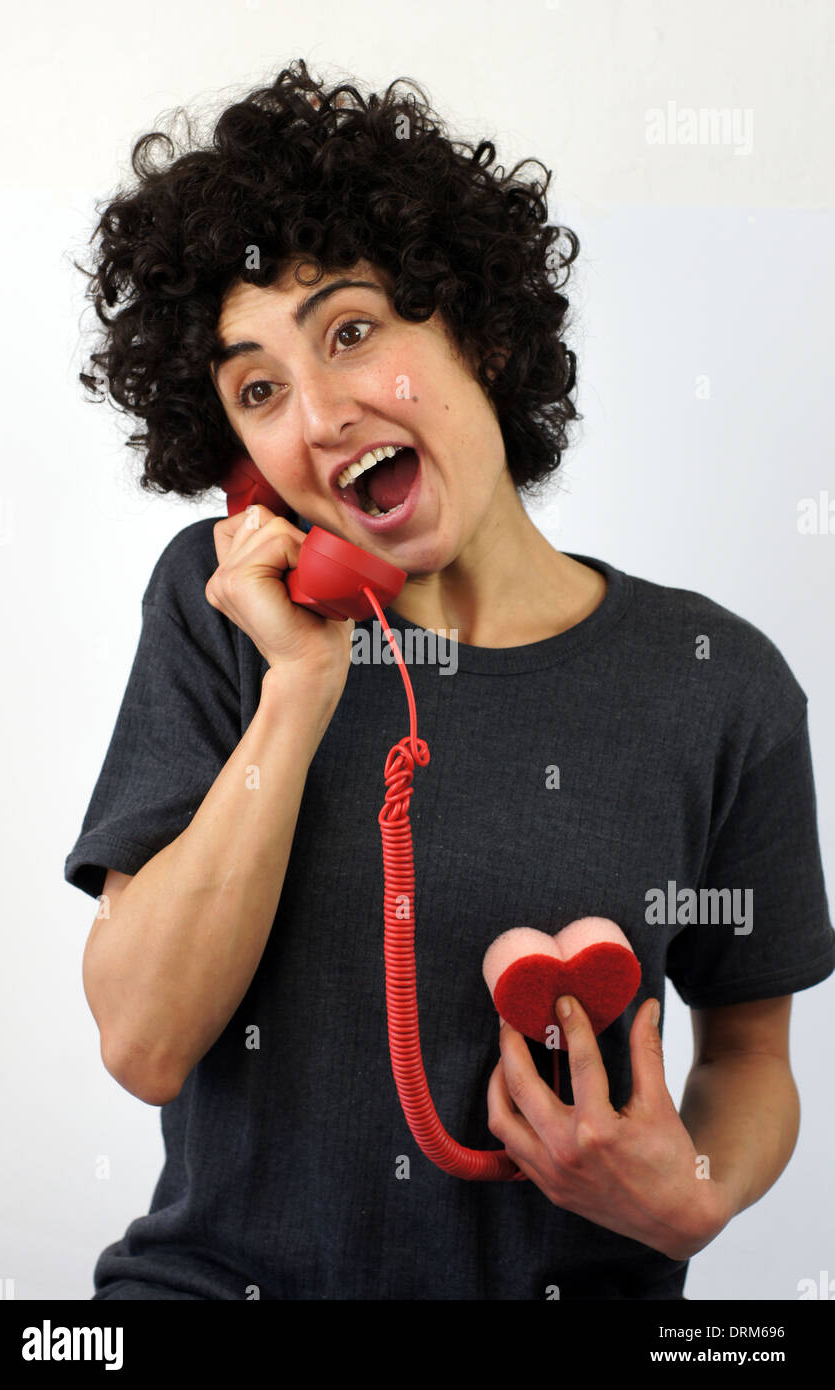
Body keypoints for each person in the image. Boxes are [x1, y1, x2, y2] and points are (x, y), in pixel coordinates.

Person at [64, 59, 834, 1301]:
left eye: (351, 331)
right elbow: (145, 1041)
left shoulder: (718, 682)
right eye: (257, 387)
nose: (315, 415)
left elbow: (748, 1050)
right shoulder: (224, 614)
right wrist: (302, 684)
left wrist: (694, 1186)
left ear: (474, 322)